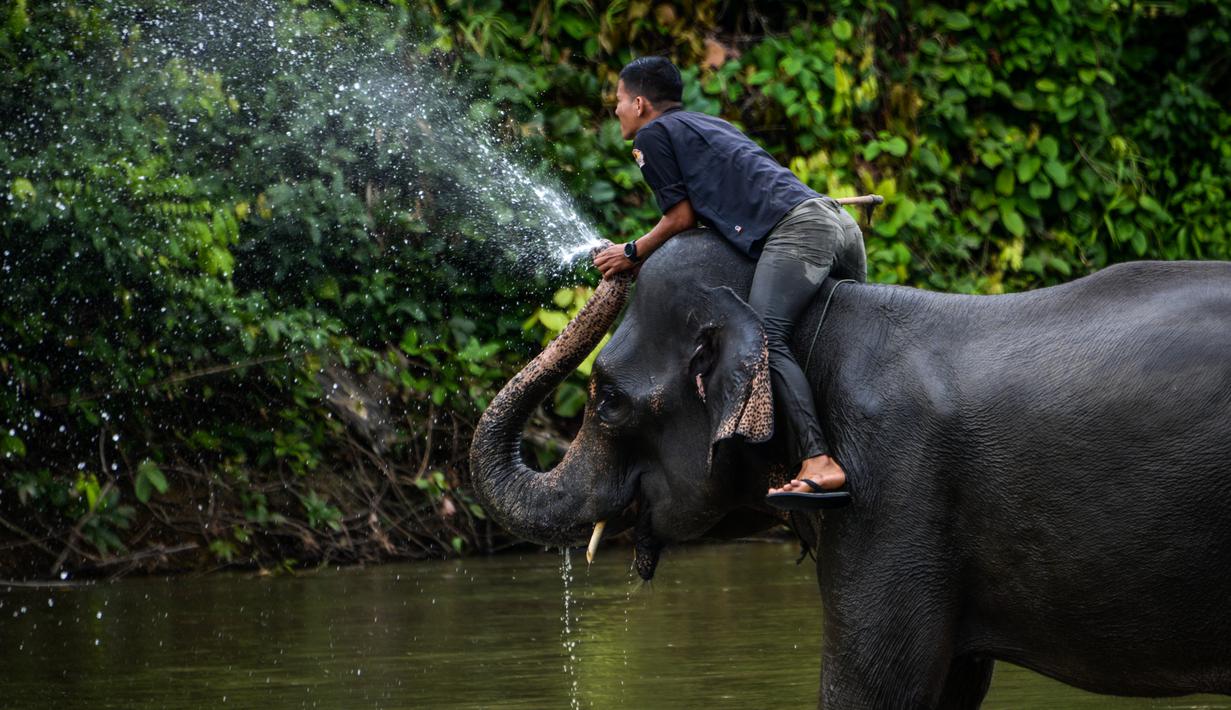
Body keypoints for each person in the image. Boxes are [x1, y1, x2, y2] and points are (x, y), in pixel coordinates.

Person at [593, 56, 866, 511]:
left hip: (800, 231)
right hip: (839, 223)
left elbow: (680, 217)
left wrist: (631, 251)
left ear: (640, 103)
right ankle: (847, 450)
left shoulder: (652, 136)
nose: (616, 110)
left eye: (618, 101)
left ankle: (819, 462)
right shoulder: (705, 124)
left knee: (765, 337)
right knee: (824, 340)